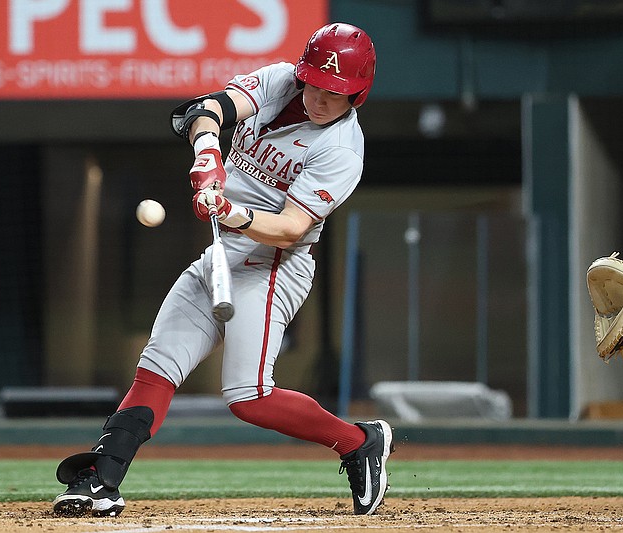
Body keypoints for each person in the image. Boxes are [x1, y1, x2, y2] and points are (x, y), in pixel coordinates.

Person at [51, 22, 393, 518]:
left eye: (335, 91)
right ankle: (101, 479)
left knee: (248, 397)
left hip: (273, 266)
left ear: (357, 93)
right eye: (316, 83)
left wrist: (234, 213)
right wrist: (207, 156)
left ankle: (358, 441)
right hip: (221, 255)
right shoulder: (280, 82)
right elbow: (207, 109)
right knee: (157, 368)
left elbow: (292, 228)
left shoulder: (342, 150)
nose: (321, 97)